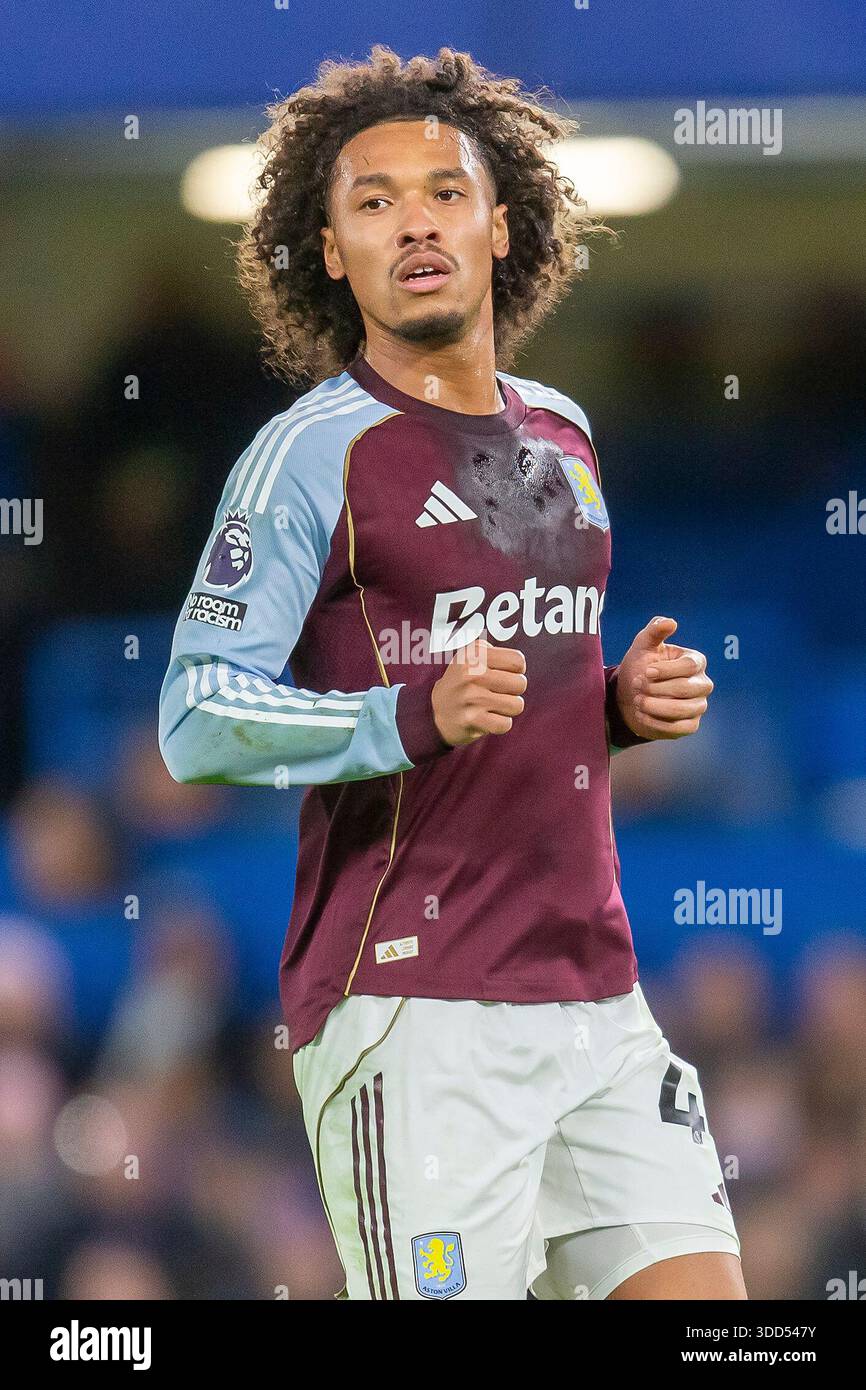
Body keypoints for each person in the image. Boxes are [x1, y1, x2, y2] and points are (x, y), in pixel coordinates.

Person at [159, 45, 744, 1301]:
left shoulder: (562, 434)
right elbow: (197, 715)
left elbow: (512, 703)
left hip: (595, 992)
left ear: (499, 223)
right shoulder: (308, 455)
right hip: (414, 1013)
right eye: (371, 201)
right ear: (328, 252)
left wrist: (611, 712)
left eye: (442, 191)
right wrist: (402, 716)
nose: (412, 220)